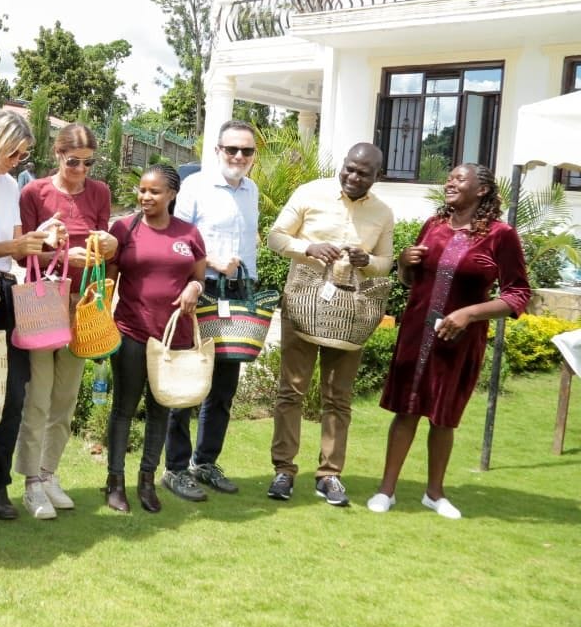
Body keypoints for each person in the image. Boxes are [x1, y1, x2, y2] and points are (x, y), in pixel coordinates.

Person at [368, 164, 531, 519]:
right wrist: (403, 262)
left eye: (459, 179)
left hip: (459, 342)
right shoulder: (434, 226)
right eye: (450, 177)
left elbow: (519, 294)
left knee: (444, 417)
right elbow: (413, 282)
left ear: (482, 190)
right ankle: (386, 490)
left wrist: (470, 314)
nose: (450, 182)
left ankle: (434, 493)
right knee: (405, 410)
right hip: (416, 333)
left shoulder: (501, 236)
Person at [265, 143, 394, 507]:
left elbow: (386, 262)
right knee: (291, 390)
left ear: (376, 176)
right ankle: (283, 471)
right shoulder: (310, 192)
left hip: (350, 313)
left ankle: (330, 475)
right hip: (302, 304)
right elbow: (275, 237)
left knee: (338, 397)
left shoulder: (383, 213)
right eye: (349, 169)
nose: (354, 177)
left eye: (363, 173)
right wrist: (308, 248)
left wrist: (366, 259)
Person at [16, 123, 116, 519]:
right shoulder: (34, 192)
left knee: (66, 398)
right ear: (57, 155)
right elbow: (23, 254)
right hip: (43, 302)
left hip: (83, 304)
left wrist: (103, 247)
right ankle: (30, 484)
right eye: (73, 161)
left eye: (87, 163)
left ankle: (48, 472)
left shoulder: (100, 193)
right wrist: (58, 253)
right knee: (38, 398)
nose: (80, 170)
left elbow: (104, 244)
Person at [162, 121, 260, 502]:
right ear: (218, 149)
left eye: (246, 151)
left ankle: (205, 462)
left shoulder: (251, 191)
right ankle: (175, 467)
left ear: (253, 157)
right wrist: (212, 261)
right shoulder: (196, 187)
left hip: (235, 295)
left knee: (223, 386)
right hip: (200, 290)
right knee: (188, 381)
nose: (238, 157)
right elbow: (177, 240)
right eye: (232, 149)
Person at [106, 166, 206, 513]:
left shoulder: (189, 233)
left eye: (154, 192)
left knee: (161, 409)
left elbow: (198, 277)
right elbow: (109, 281)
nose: (145, 197)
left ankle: (147, 481)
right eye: (142, 190)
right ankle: (114, 482)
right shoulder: (124, 228)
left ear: (172, 195)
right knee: (124, 409)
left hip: (172, 340)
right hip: (132, 332)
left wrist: (195, 287)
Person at [0, 110, 51, 520]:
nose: (16, 161)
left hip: (6, 289)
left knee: (13, 393)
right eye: (13, 151)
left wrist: (39, 241)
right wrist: (14, 249)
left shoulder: (9, 186)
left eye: (22, 155)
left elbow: (17, 242)